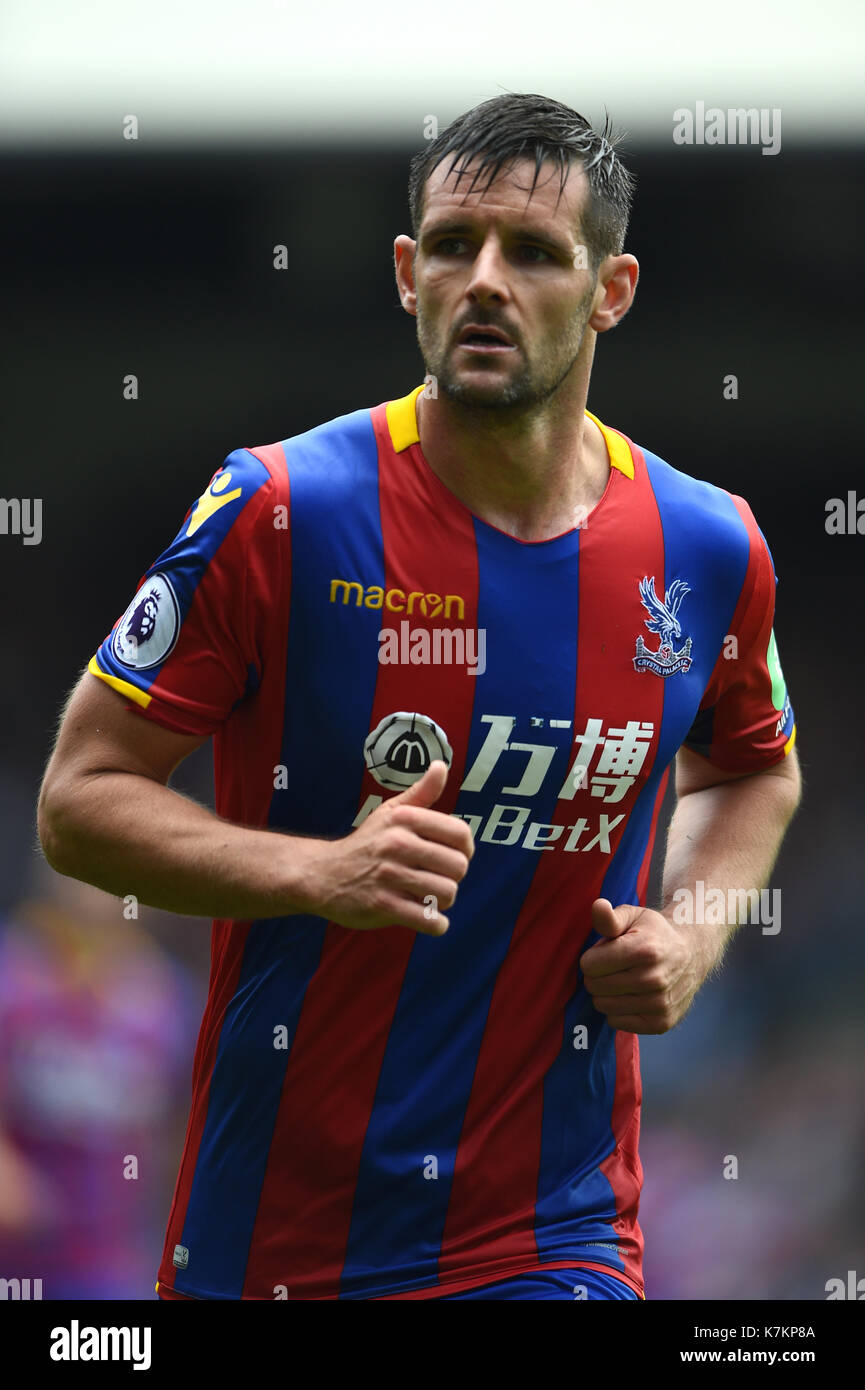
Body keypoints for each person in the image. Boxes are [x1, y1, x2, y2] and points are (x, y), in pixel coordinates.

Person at [37, 92, 801, 1301]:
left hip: (554, 1233)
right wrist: (316, 874)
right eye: (453, 244)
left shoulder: (706, 548)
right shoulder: (279, 511)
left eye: (536, 253)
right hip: (278, 1237)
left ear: (611, 290)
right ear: (408, 271)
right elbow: (79, 800)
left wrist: (694, 932)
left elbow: (753, 761)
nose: (485, 279)